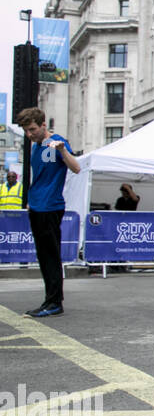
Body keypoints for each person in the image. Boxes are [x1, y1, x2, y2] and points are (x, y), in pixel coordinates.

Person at [16, 108, 82, 317]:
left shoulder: (56, 141)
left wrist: (62, 150)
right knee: (44, 256)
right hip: (37, 206)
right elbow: (41, 175)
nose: (30, 134)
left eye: (33, 129)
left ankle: (54, 302)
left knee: (50, 256)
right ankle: (51, 300)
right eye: (27, 131)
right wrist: (31, 200)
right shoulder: (37, 145)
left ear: (43, 125)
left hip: (50, 207)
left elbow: (76, 168)